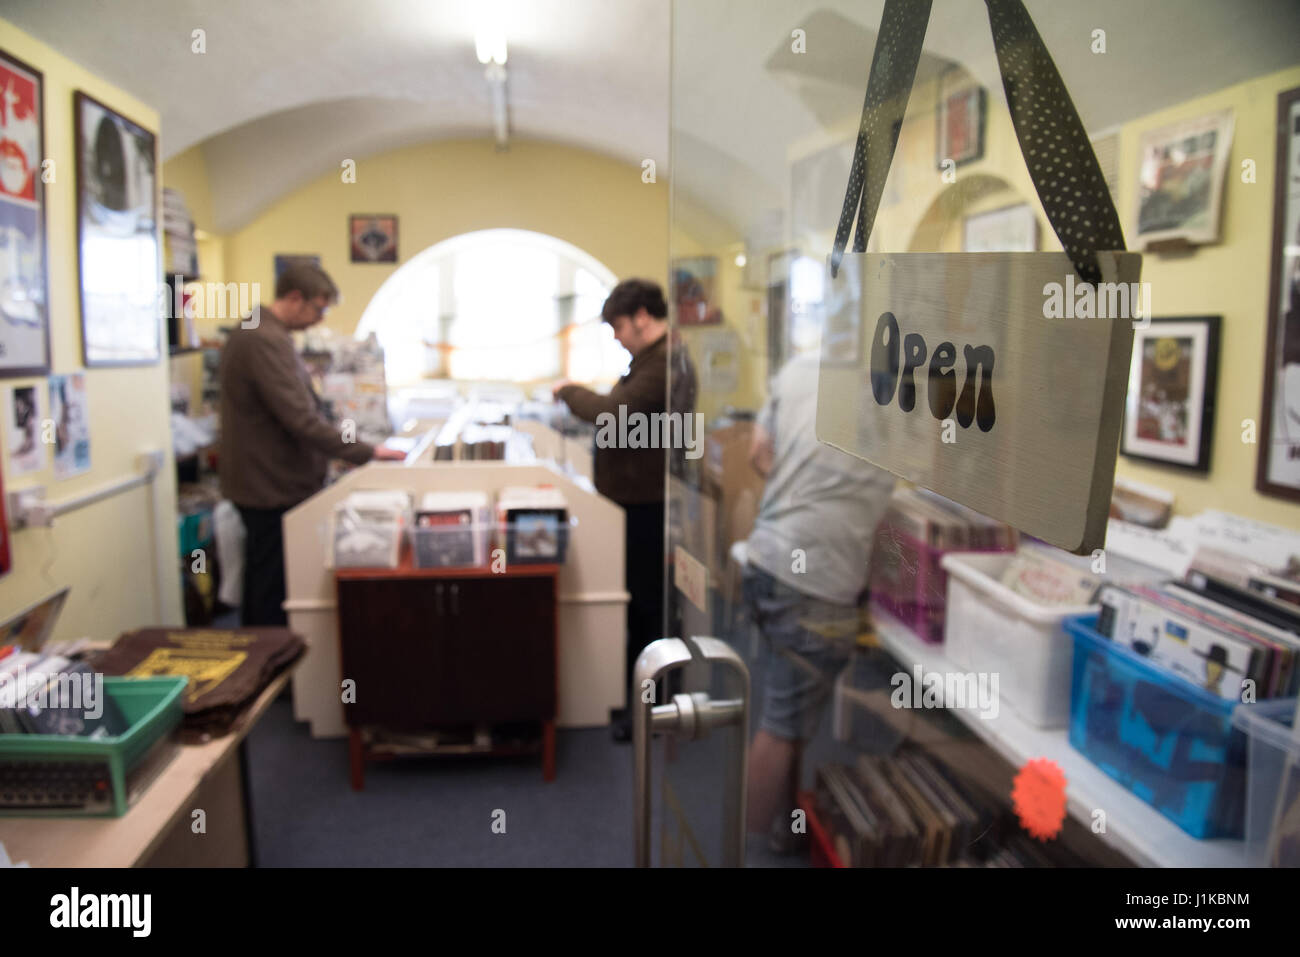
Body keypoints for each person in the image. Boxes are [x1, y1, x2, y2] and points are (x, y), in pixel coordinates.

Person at [742, 352, 895, 851]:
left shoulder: (799, 367)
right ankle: (744, 845)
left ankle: (787, 830)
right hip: (817, 581)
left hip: (767, 558)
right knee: (782, 725)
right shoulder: (898, 383)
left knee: (787, 706)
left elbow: (759, 451)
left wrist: (802, 492)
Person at [219, 262, 404, 626]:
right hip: (269, 484)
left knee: (266, 576)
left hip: (262, 481)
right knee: (272, 586)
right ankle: (272, 670)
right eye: (318, 308)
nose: (319, 319)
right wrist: (367, 452)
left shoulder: (261, 330)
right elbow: (300, 419)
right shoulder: (263, 339)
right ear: (294, 298)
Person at [553, 278, 696, 741]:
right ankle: (646, 703)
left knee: (649, 608)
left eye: (618, 325)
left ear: (640, 317)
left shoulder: (665, 364)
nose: (615, 335)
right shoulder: (650, 362)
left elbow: (614, 412)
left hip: (649, 507)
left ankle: (650, 711)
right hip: (637, 503)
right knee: (641, 605)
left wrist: (568, 390)